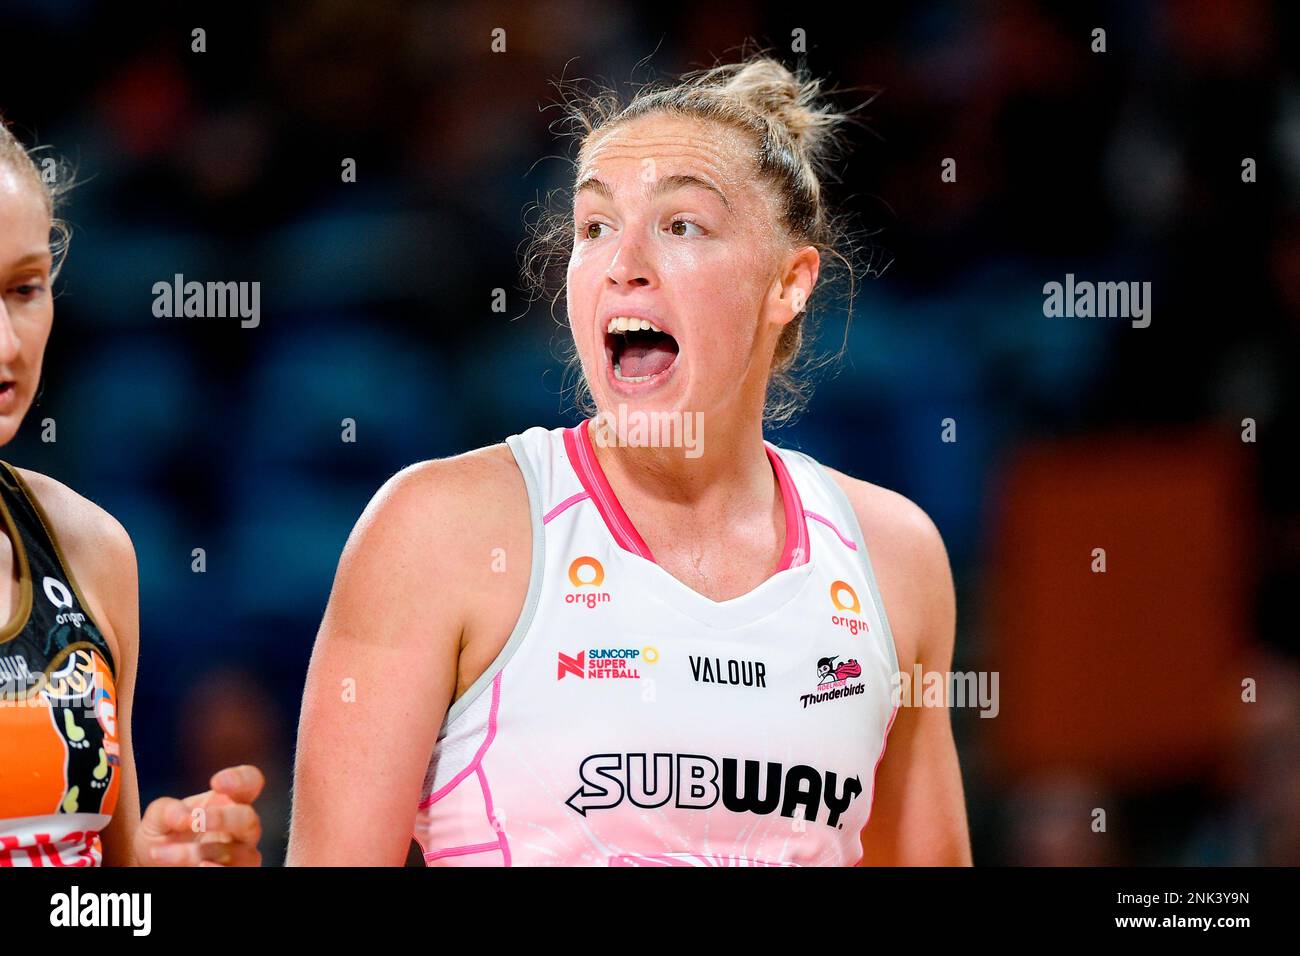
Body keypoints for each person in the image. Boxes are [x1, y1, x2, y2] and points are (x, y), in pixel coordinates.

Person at [288, 54, 971, 866]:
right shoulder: (441, 532)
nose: (623, 263)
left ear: (789, 283)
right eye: (595, 227)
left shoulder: (894, 557)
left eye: (681, 225)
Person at [0, 117, 264, 867]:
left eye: (24, 289)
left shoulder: (89, 548)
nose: (7, 346)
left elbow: (111, 891)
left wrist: (172, 868)